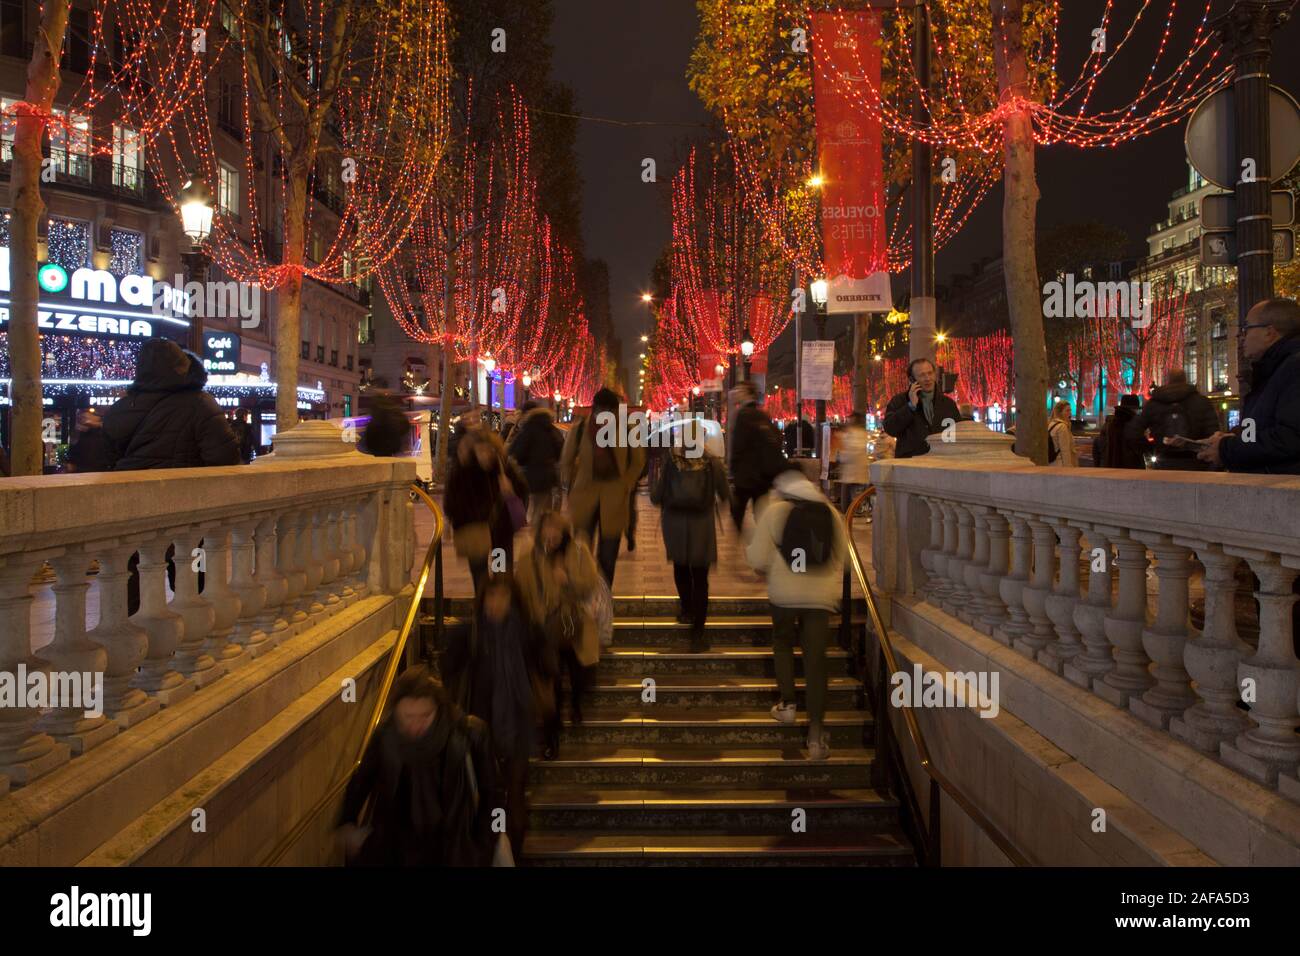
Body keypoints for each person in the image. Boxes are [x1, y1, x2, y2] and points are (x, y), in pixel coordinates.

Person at [337, 665, 499, 867]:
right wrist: (348, 822)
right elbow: (361, 780)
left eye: (425, 716)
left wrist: (484, 847)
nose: (415, 726)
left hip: (452, 849)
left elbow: (492, 796)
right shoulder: (385, 736)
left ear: (438, 709)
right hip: (397, 850)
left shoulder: (469, 734)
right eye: (408, 717)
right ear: (396, 710)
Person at [745, 467, 848, 761]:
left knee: (783, 642)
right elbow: (844, 558)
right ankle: (816, 736)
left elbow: (758, 558)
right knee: (816, 660)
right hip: (820, 596)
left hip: (784, 593)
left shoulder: (775, 511)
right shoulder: (830, 513)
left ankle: (787, 705)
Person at [516, 511, 602, 760]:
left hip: (574, 626)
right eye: (547, 529)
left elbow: (591, 584)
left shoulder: (578, 552)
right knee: (550, 680)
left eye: (556, 530)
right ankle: (553, 732)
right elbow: (522, 591)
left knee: (577, 672)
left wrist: (568, 580)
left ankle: (575, 704)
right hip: (544, 630)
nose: (551, 535)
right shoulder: (529, 559)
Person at [465, 573, 535, 860]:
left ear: (513, 601)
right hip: (481, 729)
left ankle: (514, 855)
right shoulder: (470, 635)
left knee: (516, 795)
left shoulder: (526, 632)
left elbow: (545, 666)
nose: (496, 603)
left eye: (503, 597)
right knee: (490, 798)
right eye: (491, 597)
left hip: (519, 726)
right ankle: (493, 853)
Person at [650, 417, 731, 652]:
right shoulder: (712, 463)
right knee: (701, 578)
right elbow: (725, 494)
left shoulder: (672, 461)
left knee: (681, 569)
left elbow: (656, 496)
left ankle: (686, 609)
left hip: (675, 524)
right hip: (702, 525)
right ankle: (698, 631)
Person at [102, 338, 241, 470]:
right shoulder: (200, 403)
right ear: (184, 367)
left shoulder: (119, 409)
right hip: (185, 490)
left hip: (130, 491)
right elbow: (226, 458)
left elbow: (106, 460)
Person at [1197, 298, 1300, 474]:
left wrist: (1227, 449)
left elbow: (1291, 438)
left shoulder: (1294, 367)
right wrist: (1231, 439)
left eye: (1246, 328)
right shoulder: (1271, 370)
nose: (1241, 337)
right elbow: (1262, 430)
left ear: (1269, 332)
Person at [560, 387, 645, 585]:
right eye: (602, 410)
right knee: (582, 551)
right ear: (595, 408)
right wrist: (571, 486)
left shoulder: (627, 429)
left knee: (608, 555)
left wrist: (627, 484)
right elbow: (566, 460)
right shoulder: (580, 429)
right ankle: (583, 592)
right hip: (584, 495)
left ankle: (603, 596)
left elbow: (638, 462)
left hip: (614, 495)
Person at [444, 427, 529, 595]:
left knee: (501, 575)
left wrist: (511, 491)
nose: (485, 454)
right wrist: (454, 522)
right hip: (474, 533)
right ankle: (482, 612)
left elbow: (523, 494)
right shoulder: (462, 470)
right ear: (472, 451)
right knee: (480, 577)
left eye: (489, 450)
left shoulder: (504, 468)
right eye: (480, 450)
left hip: (500, 534)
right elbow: (452, 501)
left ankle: (502, 612)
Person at [1124, 369, 1218, 470]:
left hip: (1164, 462)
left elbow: (1133, 431)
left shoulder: (1155, 403)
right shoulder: (1201, 402)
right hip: (1196, 462)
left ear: (1168, 381)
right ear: (1184, 380)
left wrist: (1151, 449)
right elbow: (1213, 434)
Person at [727, 381, 786, 531]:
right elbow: (777, 439)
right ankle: (765, 541)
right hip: (763, 475)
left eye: (739, 390)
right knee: (761, 512)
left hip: (746, 474)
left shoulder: (743, 415)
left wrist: (732, 469)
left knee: (737, 512)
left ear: (747, 393)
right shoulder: (763, 415)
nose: (736, 392)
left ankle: (744, 545)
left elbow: (738, 445)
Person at [882, 358, 961, 459]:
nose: (927, 378)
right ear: (912, 379)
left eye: (930, 373)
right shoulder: (900, 401)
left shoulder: (948, 404)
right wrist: (910, 406)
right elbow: (890, 429)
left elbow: (956, 434)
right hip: (910, 464)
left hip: (941, 462)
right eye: (922, 375)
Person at [507, 400, 564, 524]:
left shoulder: (528, 429)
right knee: (541, 510)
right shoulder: (551, 428)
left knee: (529, 509)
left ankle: (535, 536)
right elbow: (560, 449)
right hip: (548, 477)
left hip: (529, 477)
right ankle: (540, 535)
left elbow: (516, 453)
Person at [1094, 395, 1145, 469]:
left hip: (1112, 467)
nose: (1137, 412)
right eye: (1136, 410)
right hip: (1131, 468)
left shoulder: (1111, 424)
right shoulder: (1132, 424)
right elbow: (1139, 446)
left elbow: (1101, 448)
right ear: (1133, 410)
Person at [837, 412, 871, 512]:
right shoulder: (852, 432)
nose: (849, 421)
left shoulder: (858, 433)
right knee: (851, 493)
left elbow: (854, 450)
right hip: (852, 471)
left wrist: (842, 456)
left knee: (854, 494)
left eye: (851, 419)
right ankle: (851, 512)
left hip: (855, 470)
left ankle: (854, 512)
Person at [65, 407, 111, 473]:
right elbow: (73, 449)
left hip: (99, 470)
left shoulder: (103, 431)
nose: (84, 416)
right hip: (83, 470)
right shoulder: (79, 431)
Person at [1047, 401, 1079, 467]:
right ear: (1060, 413)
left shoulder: (1051, 424)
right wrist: (1068, 468)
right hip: (1061, 464)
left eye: (1070, 410)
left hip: (1052, 463)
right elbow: (1065, 450)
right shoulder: (1062, 427)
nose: (1070, 413)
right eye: (1067, 411)